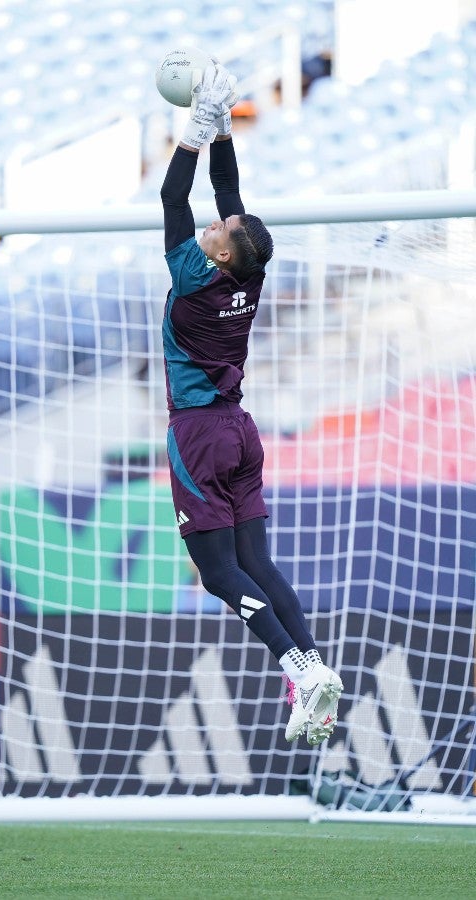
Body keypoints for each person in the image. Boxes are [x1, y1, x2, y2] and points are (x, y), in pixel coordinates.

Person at [160, 62, 343, 746]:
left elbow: (173, 195)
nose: (211, 225)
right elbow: (226, 193)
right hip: (240, 429)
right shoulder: (250, 269)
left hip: (201, 434)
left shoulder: (190, 276)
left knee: (216, 572)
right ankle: (314, 666)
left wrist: (194, 130)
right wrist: (226, 121)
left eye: (217, 232)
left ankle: (294, 665)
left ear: (221, 254)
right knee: (257, 563)